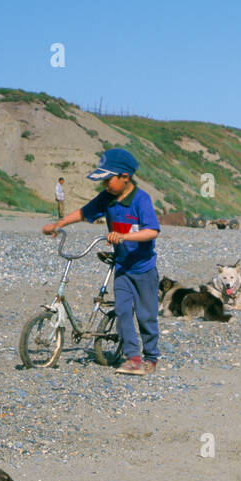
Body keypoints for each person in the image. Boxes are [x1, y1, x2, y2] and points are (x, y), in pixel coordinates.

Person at [42, 148, 161, 375]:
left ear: (125, 177)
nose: (105, 185)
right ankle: (133, 358)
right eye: (103, 180)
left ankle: (151, 357)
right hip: (123, 268)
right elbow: (84, 212)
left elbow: (152, 231)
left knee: (146, 315)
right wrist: (58, 225)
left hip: (144, 269)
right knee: (123, 311)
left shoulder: (141, 200)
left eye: (109, 180)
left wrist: (124, 236)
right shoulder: (107, 199)